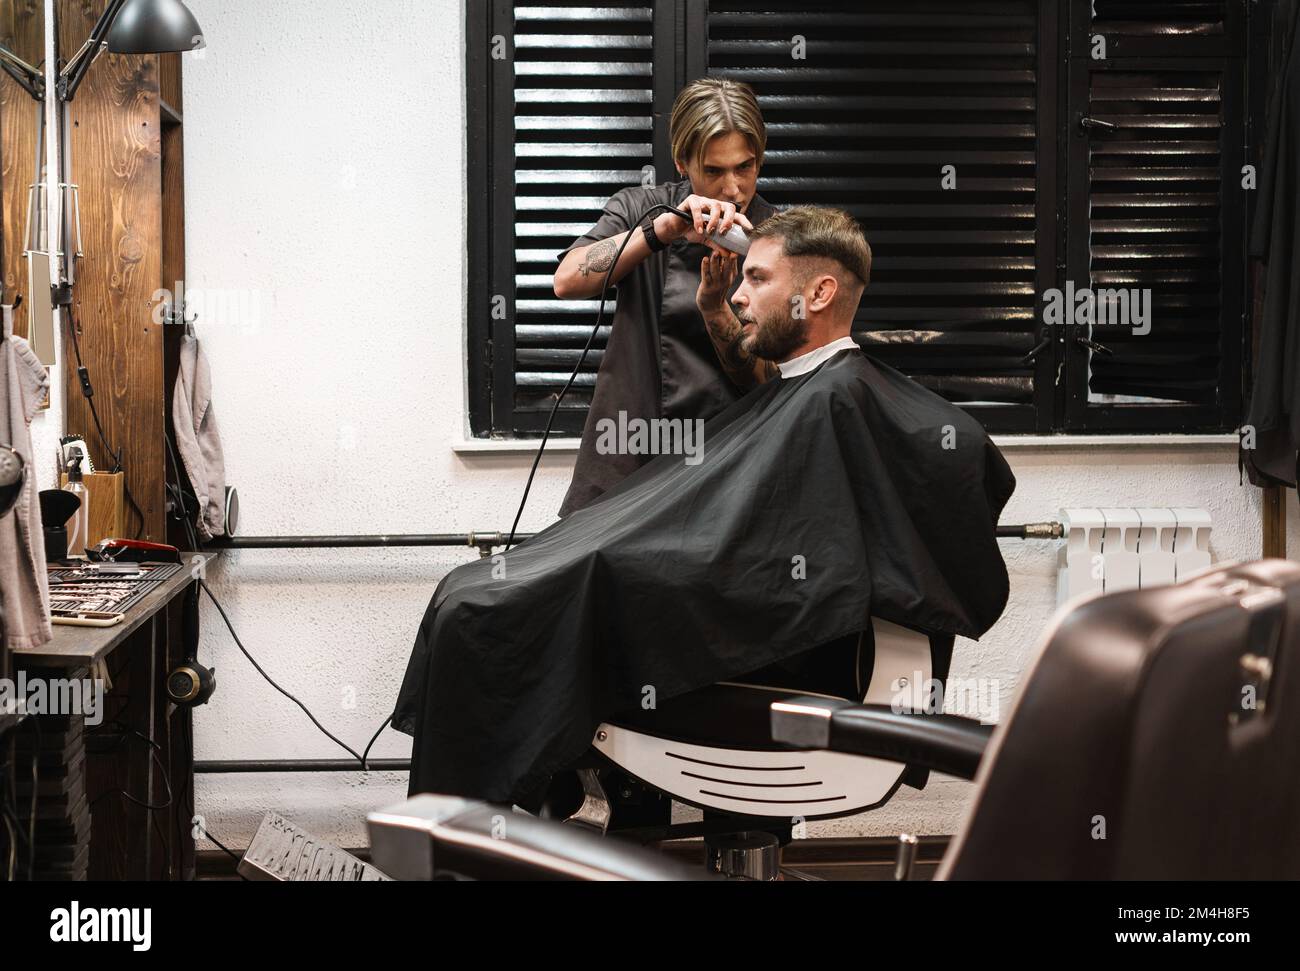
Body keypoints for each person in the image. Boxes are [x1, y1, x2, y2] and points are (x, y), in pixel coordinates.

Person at [393, 207, 1016, 809]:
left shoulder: (841, 397)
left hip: (792, 671)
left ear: (819, 293)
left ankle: (455, 847)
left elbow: (764, 564)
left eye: (758, 278)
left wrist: (605, 568)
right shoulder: (810, 389)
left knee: (480, 612)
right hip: (762, 639)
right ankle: (485, 832)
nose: (736, 296)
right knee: (471, 596)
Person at [552, 78, 779, 516]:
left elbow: (771, 381)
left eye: (745, 168)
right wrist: (664, 230)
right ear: (682, 162)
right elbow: (567, 281)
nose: (733, 189)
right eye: (714, 171)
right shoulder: (641, 209)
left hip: (732, 455)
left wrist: (716, 311)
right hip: (632, 443)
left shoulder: (778, 236)